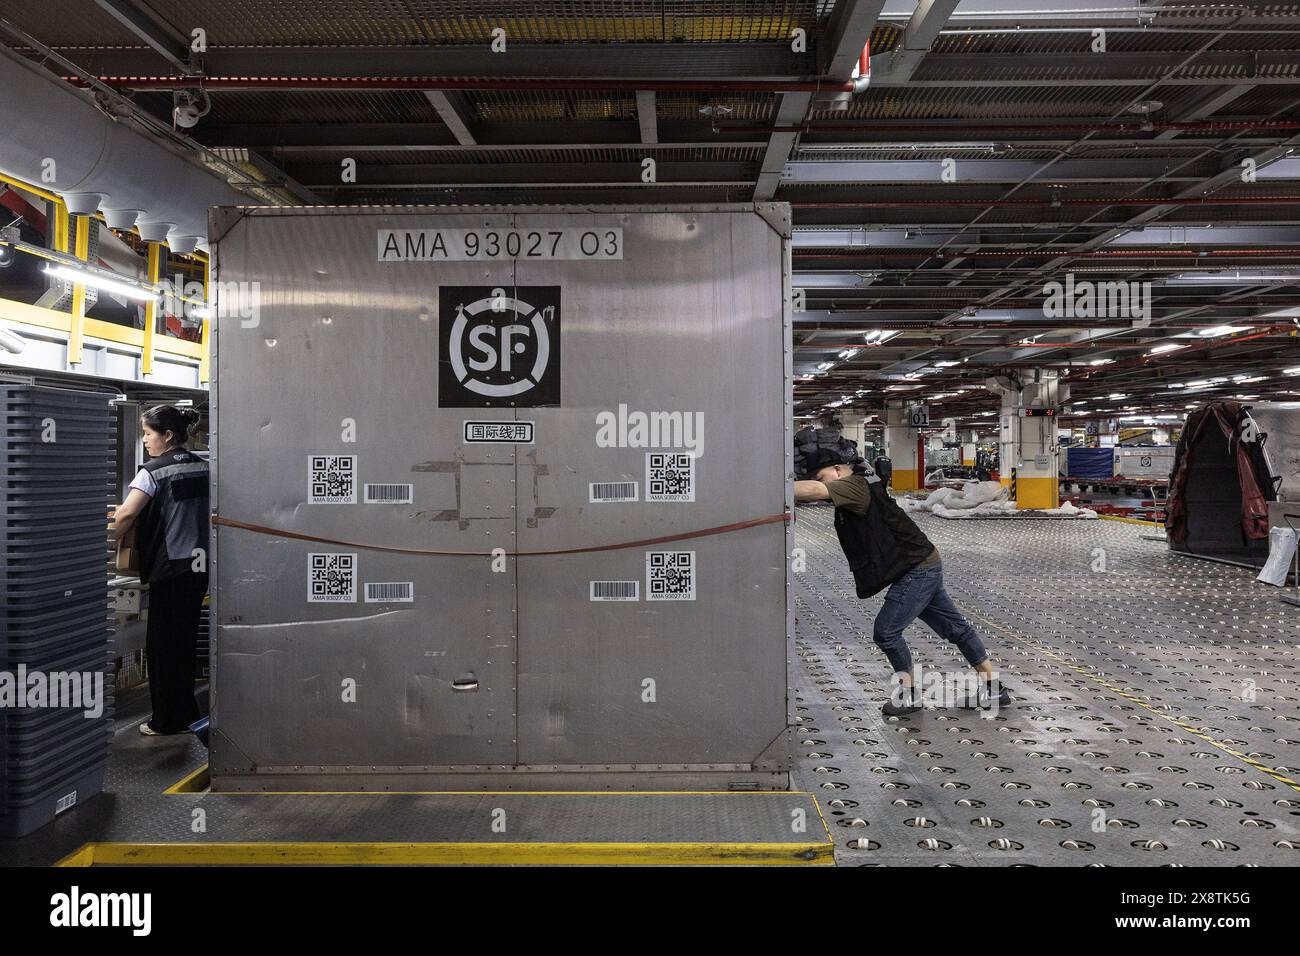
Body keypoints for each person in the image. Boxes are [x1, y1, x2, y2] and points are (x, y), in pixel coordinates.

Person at [794, 461, 1010, 715]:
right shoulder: (865, 483)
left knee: (886, 632)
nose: (825, 483)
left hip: (916, 568)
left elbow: (814, 490)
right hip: (922, 560)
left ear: (838, 469)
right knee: (956, 629)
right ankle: (994, 689)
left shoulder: (854, 484)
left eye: (825, 476)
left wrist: (773, 486)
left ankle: (909, 696)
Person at [111, 405, 209, 736]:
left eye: (149, 434)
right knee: (183, 643)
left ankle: (166, 720)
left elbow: (125, 515)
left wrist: (99, 543)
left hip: (170, 568)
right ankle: (186, 712)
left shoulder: (152, 471)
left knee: (162, 647)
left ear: (167, 436)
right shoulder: (202, 467)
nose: (145, 440)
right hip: (199, 568)